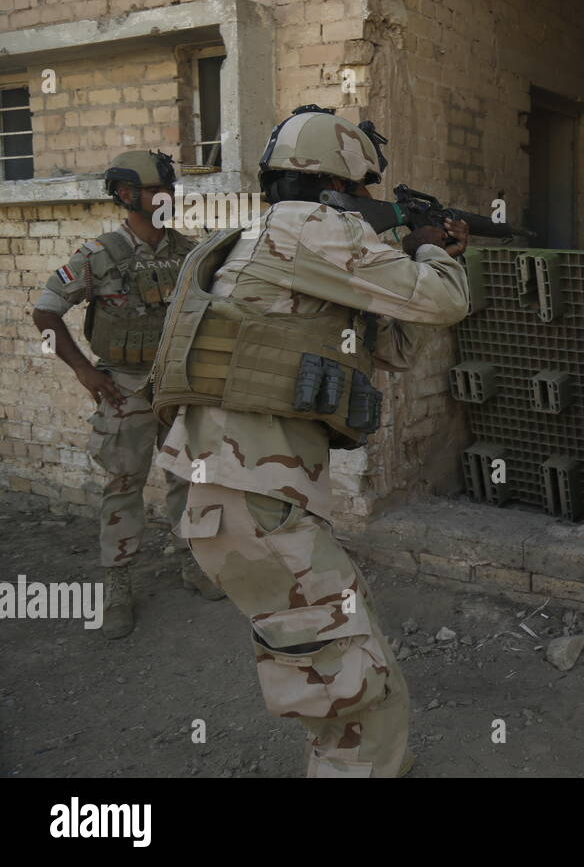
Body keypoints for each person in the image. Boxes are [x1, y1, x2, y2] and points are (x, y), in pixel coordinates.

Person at [150, 105, 470, 777]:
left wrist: (410, 248)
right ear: (346, 183)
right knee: (357, 687)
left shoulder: (269, 235)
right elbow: (442, 300)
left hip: (243, 494)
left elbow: (394, 346)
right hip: (249, 498)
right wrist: (432, 248)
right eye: (366, 192)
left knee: (341, 664)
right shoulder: (310, 229)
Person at [32, 150, 223, 640]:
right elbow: (46, 314)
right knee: (123, 485)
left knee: (190, 478)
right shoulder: (99, 256)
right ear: (124, 194)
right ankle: (118, 582)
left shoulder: (189, 252)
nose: (167, 196)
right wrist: (83, 372)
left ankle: (192, 562)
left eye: (170, 188)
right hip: (126, 389)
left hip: (180, 386)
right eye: (156, 189)